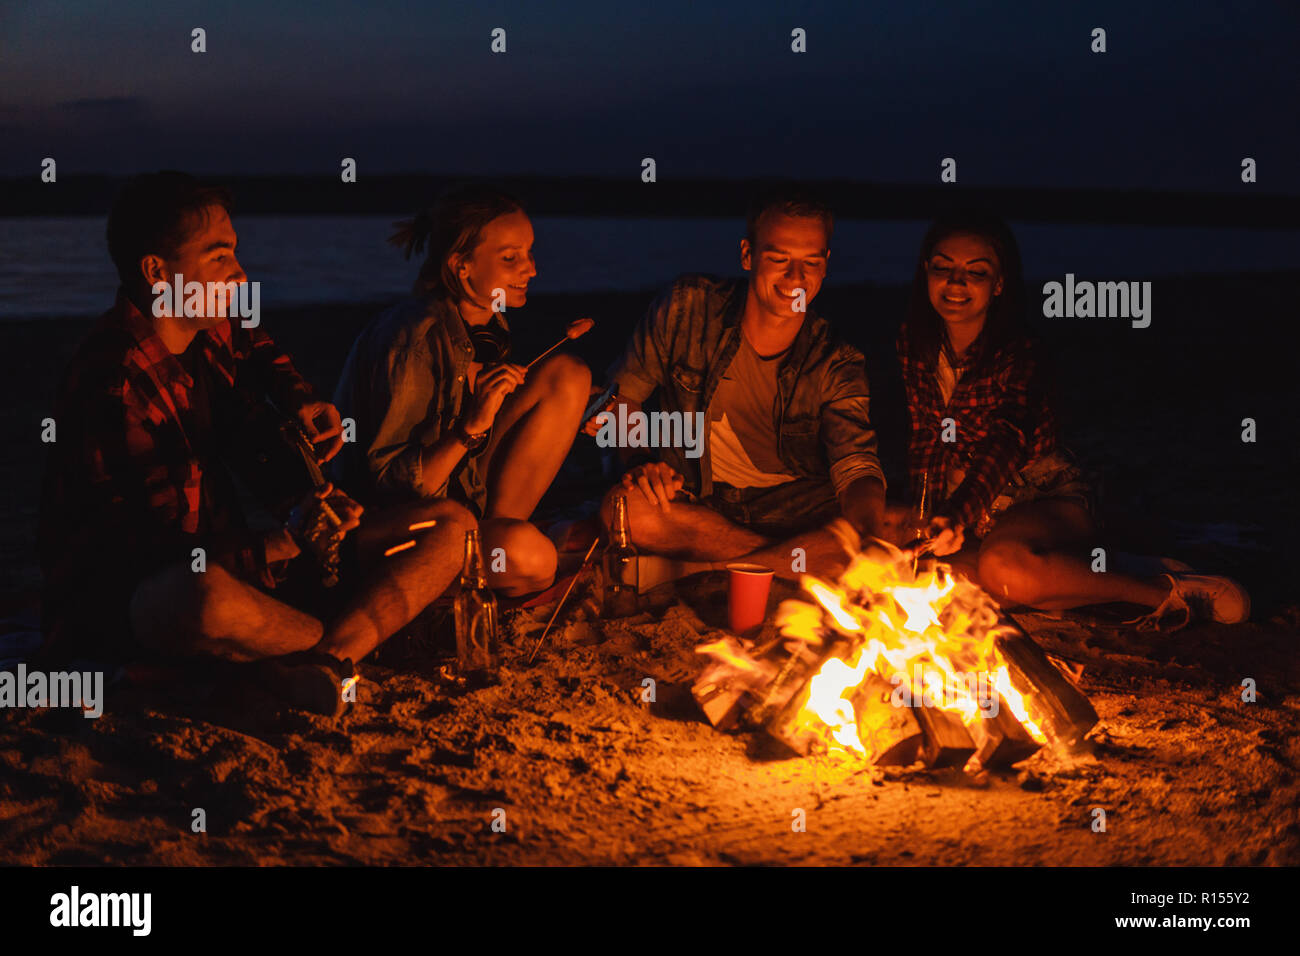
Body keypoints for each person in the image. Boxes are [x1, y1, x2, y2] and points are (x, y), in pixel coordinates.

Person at [38, 172, 474, 716]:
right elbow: (161, 558)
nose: (240, 273)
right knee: (201, 600)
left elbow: (257, 345)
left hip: (248, 571)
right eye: (219, 257)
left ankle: (326, 656)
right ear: (157, 271)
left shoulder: (208, 324)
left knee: (451, 525)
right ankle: (335, 648)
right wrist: (290, 541)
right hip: (138, 599)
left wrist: (298, 400)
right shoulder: (116, 383)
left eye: (235, 254)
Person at [892, 209, 1249, 629]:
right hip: (973, 510)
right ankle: (1073, 573)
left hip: (1041, 495)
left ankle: (1164, 592)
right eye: (943, 267)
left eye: (976, 271)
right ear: (926, 273)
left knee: (1003, 571)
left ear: (1000, 283)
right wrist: (925, 517)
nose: (956, 282)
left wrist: (956, 513)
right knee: (934, 581)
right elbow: (924, 440)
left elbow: (1006, 439)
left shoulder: (1020, 352)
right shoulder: (914, 345)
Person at [586, 185, 887, 586]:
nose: (795, 277)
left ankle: (719, 564)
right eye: (779, 258)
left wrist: (867, 535)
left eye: (810, 262)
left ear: (826, 264)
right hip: (696, 497)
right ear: (748, 255)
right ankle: (792, 564)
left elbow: (857, 465)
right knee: (624, 509)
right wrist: (642, 464)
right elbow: (623, 397)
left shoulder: (837, 359)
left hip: (794, 506)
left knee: (901, 525)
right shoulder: (687, 308)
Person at [333, 184, 592, 597]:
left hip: (463, 513)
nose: (531, 269)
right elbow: (390, 484)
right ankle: (492, 560)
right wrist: (468, 430)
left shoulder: (487, 327)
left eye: (529, 253)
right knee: (533, 558)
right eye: (511, 258)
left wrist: (583, 412)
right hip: (392, 532)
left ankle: (501, 536)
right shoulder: (413, 341)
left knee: (568, 374)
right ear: (460, 266)